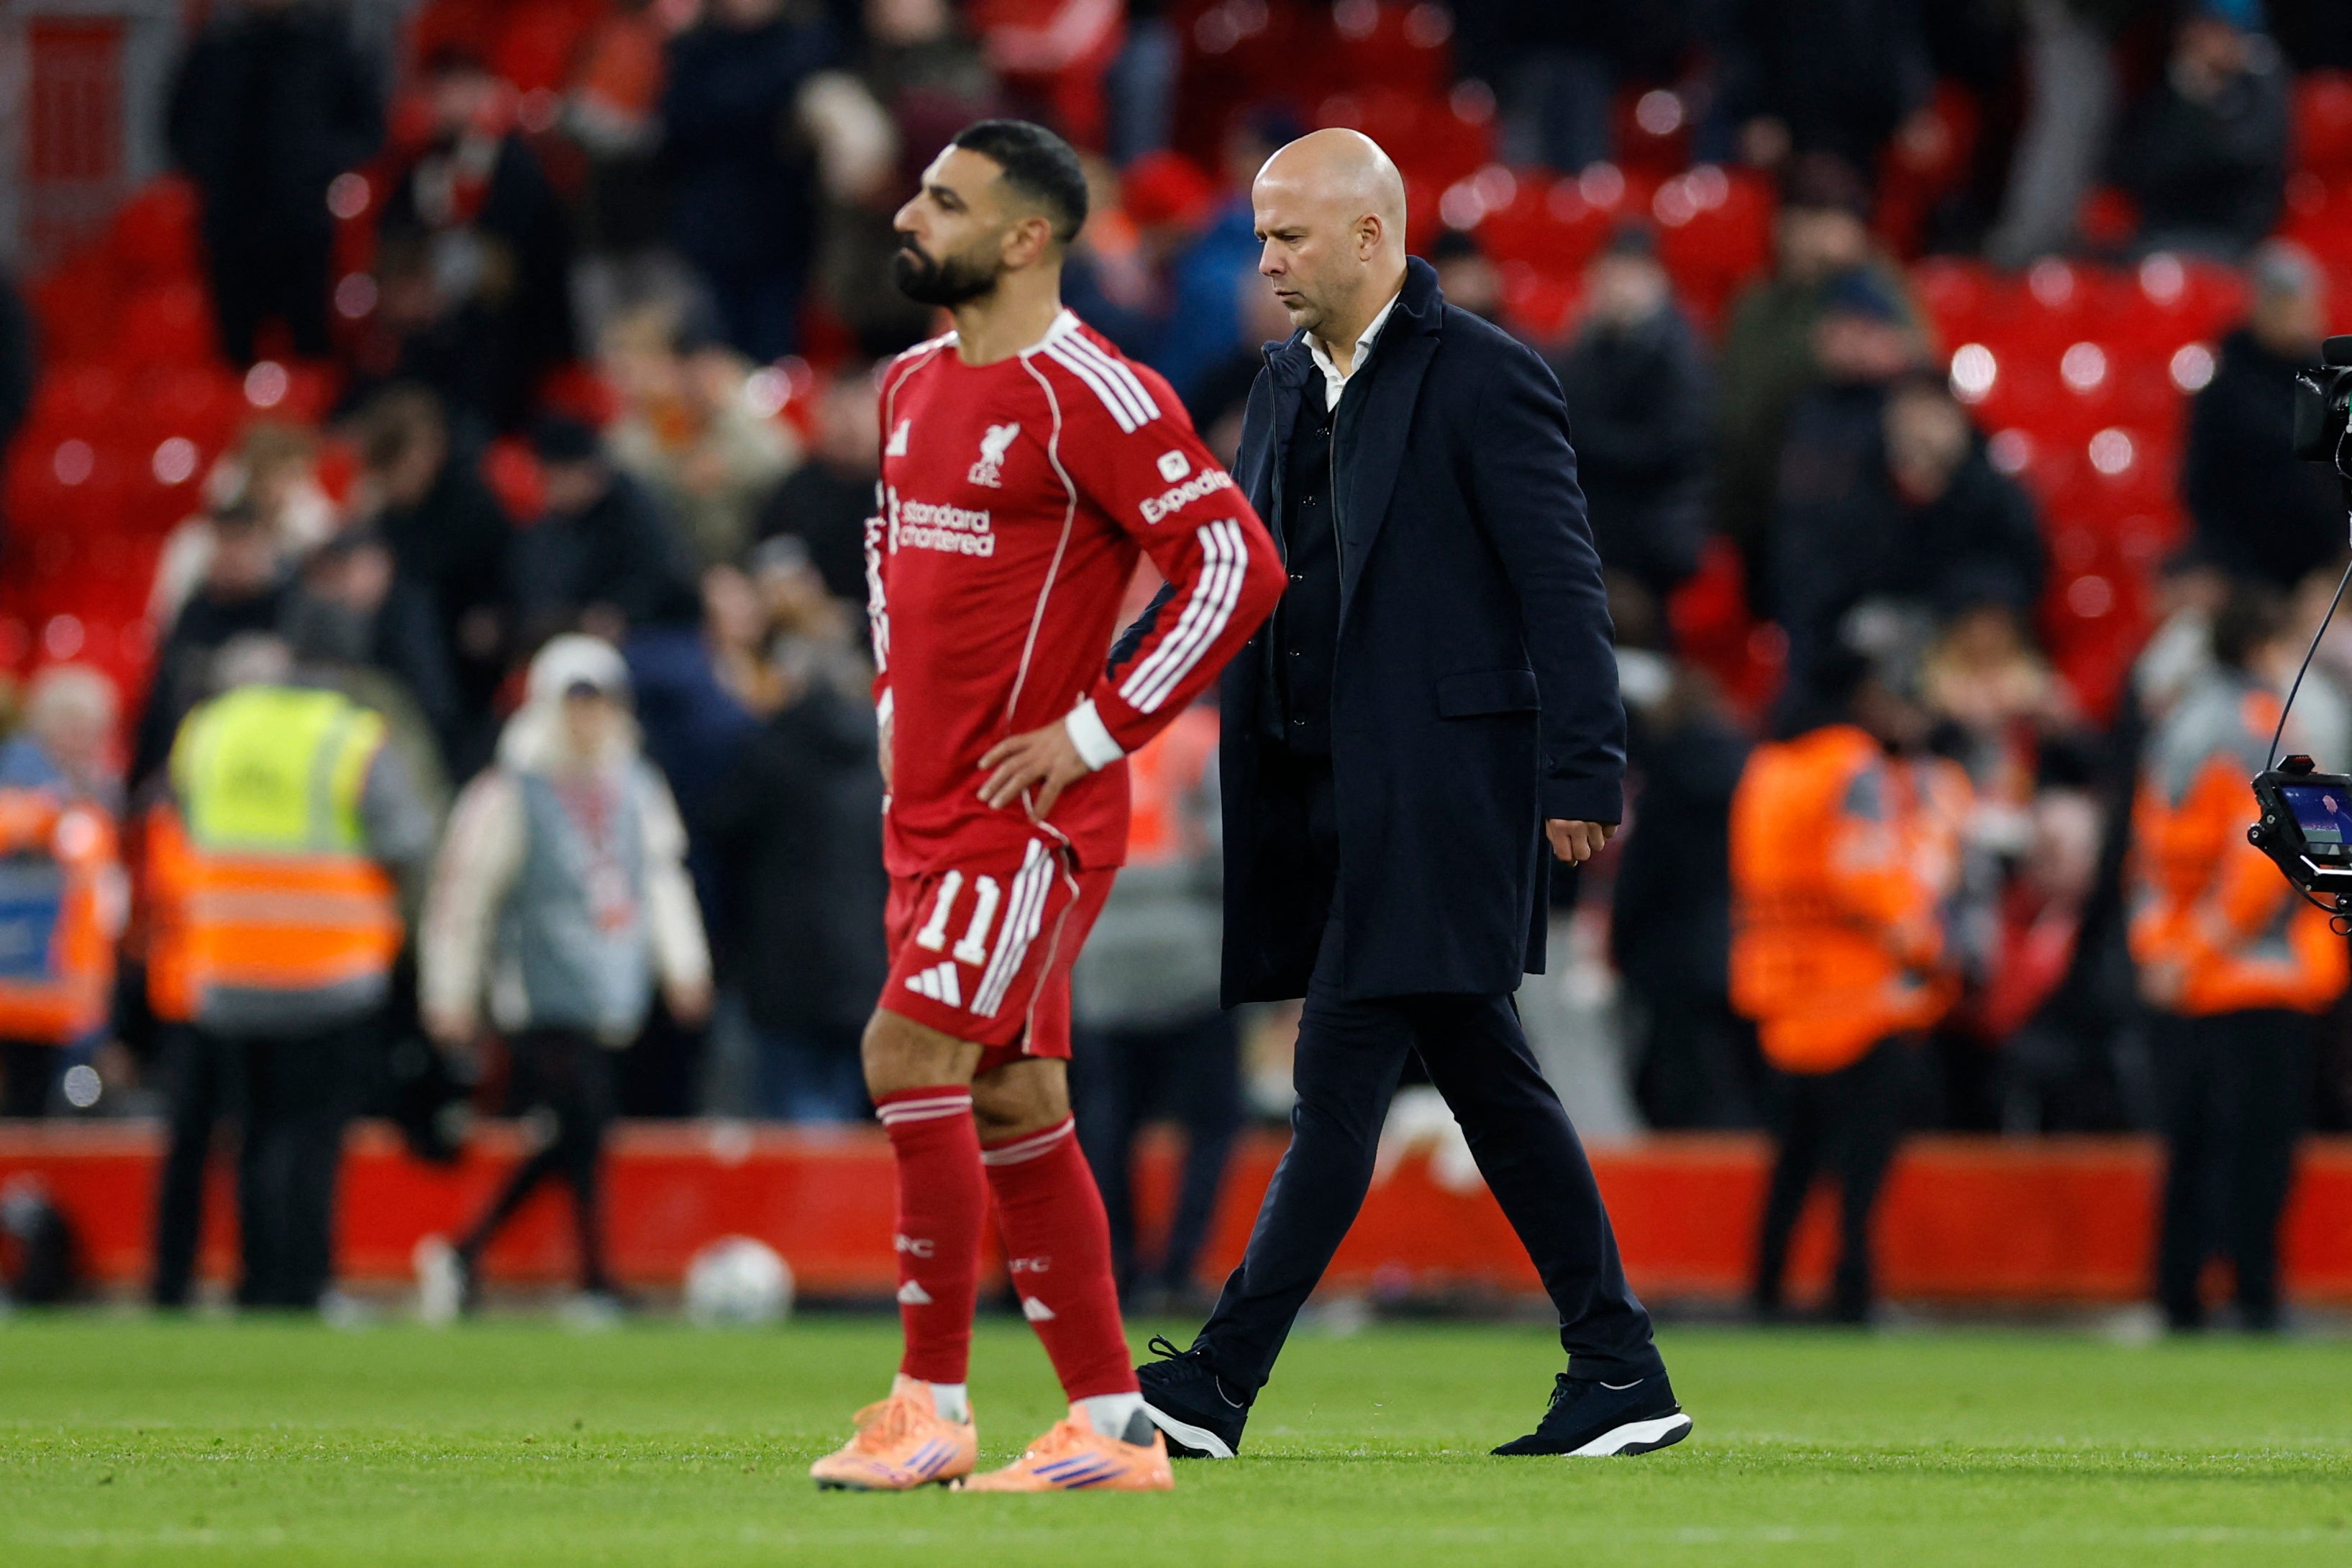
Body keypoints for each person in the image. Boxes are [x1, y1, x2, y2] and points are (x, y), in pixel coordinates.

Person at [1129, 129, 1687, 1464]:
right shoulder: (1277, 386)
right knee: (1491, 1083)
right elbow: (1250, 576)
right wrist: (1120, 698)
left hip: (1439, 798)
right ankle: (1618, 1365)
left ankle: (1216, 1384)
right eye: (1260, 237)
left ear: (1373, 238)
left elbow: (1564, 588)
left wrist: (1582, 768)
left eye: (1289, 237)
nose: (1264, 261)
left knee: (1336, 1090)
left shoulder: (1490, 378)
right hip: (1317, 798)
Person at [807, 119, 1282, 1495]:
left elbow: (1234, 574)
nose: (910, 214)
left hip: (1031, 818)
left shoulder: (1097, 395)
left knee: (908, 1057)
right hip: (929, 802)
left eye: (943, 201)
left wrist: (1094, 729)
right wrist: (897, 702)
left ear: (1026, 238)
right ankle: (1114, 1428)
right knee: (1016, 1094)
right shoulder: (906, 385)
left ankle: (930, 1404)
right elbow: (892, 552)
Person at [416, 637, 713, 1319]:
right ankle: (593, 1278)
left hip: (611, 987)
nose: (590, 719)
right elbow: (463, 897)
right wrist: (450, 992)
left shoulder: (635, 785)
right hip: (539, 988)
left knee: (574, 1131)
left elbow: (661, 880)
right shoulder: (511, 789)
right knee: (582, 1122)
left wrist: (683, 965)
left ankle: (467, 1253)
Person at [155, 635, 432, 1311]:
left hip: (225, 969)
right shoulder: (350, 737)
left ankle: (256, 1283)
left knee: (249, 1136)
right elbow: (406, 838)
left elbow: (183, 824)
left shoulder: (206, 732)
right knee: (312, 1138)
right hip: (329, 969)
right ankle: (307, 1284)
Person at [2130, 587, 2347, 1331]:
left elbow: (2151, 854)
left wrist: (2163, 953)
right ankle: (2254, 1296)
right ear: (2263, 646)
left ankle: (2177, 1294)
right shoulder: (2276, 722)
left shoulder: (2177, 722)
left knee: (2188, 1144)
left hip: (2182, 976)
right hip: (2264, 972)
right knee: (2258, 1150)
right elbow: (2262, 859)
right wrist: (2201, 949)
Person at [1733, 649, 1960, 1323]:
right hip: (1860, 990)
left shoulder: (1767, 766)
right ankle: (1852, 1290)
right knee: (1862, 1163)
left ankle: (1766, 1289)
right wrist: (1922, 942)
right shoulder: (1853, 762)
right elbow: (1862, 865)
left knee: (1793, 1158)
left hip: (1780, 983)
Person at [1069, 698, 1238, 1308]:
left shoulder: (1088, 735)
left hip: (1103, 953)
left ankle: (1120, 1268)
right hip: (1192, 954)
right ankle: (1180, 1267)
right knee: (1214, 1121)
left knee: (1109, 1121)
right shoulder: (1201, 737)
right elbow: (1230, 851)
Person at [703, 618, 888, 1122]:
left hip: (781, 972)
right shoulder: (883, 764)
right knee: (853, 1122)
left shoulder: (766, 753)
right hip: (867, 970)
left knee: (792, 1122)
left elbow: (720, 834)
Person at [165, 0, 384, 362]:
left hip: (305, 230)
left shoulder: (326, 46)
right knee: (233, 354)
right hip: (231, 229)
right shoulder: (216, 49)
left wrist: (316, 165)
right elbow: (180, 128)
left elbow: (368, 130)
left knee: (310, 351)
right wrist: (215, 172)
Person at [1551, 227, 1713, 601]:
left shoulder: (1677, 351)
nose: (1613, 286)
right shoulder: (1594, 344)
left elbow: (1673, 447)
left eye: (1626, 274)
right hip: (1603, 528)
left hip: (1659, 537)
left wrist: (1583, 443)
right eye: (1607, 273)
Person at [0, 667, 126, 1118]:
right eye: (72, 727)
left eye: (93, 730)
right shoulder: (22, 786)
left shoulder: (95, 789)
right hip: (23, 981)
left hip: (66, 982)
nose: (84, 740)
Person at [2184, 242, 2344, 593]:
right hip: (2250, 577)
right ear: (2264, 306)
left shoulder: (2329, 380)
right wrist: (2239, 574)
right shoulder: (2226, 391)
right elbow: (2204, 489)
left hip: (2325, 576)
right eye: (2293, 304)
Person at [2112, 4, 2291, 260]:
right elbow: (2135, 166)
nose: (2196, 39)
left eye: (2210, 29)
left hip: (2234, 235)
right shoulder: (2172, 87)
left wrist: (2200, 104)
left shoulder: (2263, 85)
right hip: (2162, 231)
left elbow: (2241, 156)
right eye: (2192, 29)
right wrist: (2187, 97)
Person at [510, 416, 704, 648]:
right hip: (572, 640)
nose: (552, 489)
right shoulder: (550, 525)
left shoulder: (635, 510)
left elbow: (663, 575)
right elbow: (536, 591)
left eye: (558, 478)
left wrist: (621, 612)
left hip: (655, 633)